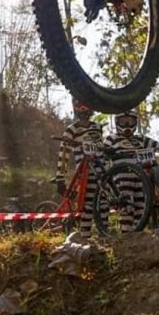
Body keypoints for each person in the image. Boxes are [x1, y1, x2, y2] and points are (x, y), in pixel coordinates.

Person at [104, 111, 159, 230]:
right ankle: (126, 235)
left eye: (130, 121)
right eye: (123, 122)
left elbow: (157, 145)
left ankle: (137, 235)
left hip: (141, 176)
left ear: (135, 122)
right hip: (123, 176)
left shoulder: (140, 139)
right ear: (117, 122)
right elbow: (102, 152)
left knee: (141, 205)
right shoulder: (112, 138)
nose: (126, 124)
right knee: (127, 206)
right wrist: (108, 152)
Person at [54, 99, 104, 237]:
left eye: (86, 105)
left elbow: (101, 147)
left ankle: (105, 235)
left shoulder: (97, 127)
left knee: (104, 201)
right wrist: (60, 178)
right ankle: (85, 237)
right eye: (79, 106)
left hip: (101, 168)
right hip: (84, 171)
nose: (82, 109)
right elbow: (64, 154)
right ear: (75, 108)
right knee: (87, 204)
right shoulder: (71, 129)